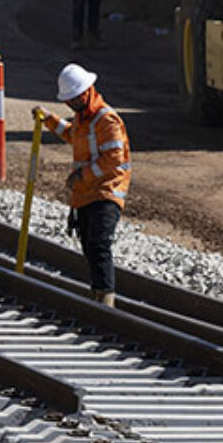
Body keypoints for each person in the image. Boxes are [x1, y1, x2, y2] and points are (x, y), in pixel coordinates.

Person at [33, 63, 130, 306]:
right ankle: (97, 297)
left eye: (74, 99)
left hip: (107, 191)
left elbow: (114, 158)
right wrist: (50, 119)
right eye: (68, 101)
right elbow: (72, 135)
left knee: (99, 243)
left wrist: (82, 175)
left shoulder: (106, 119)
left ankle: (106, 302)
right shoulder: (83, 119)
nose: (71, 104)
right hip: (86, 192)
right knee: (88, 244)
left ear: (86, 93)